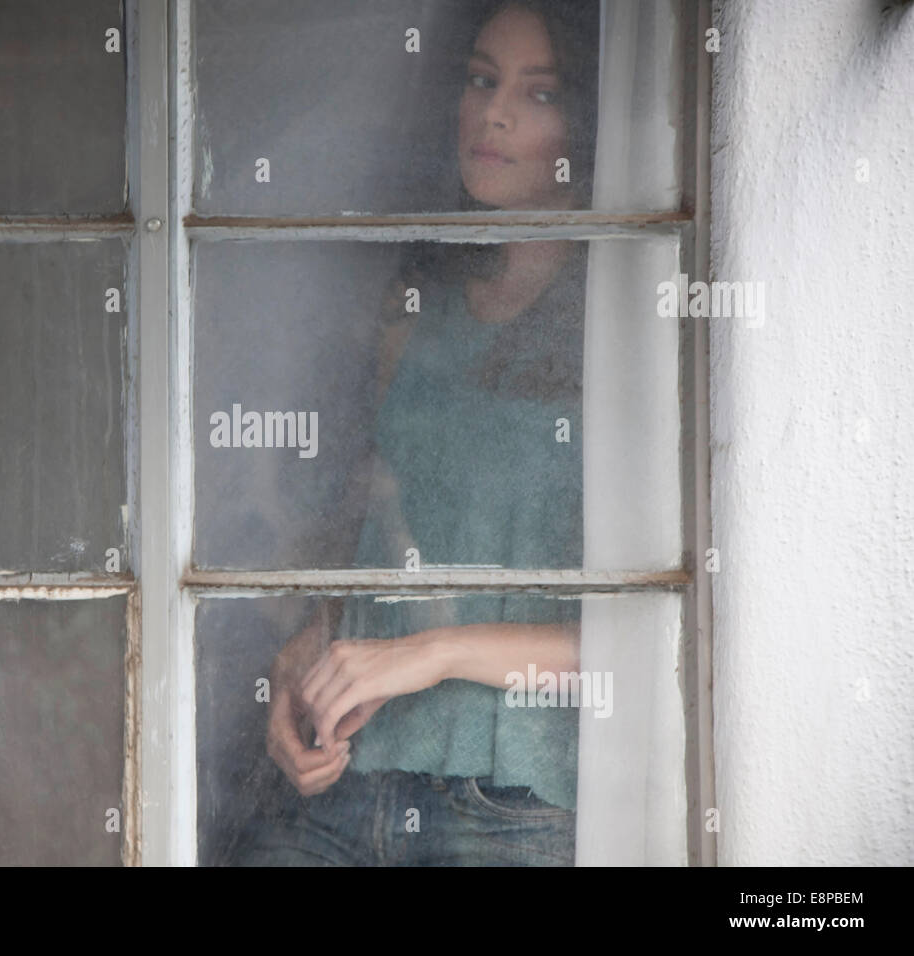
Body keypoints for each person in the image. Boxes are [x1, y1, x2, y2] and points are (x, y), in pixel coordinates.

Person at [236, 0, 600, 866]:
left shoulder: (617, 333)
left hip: (509, 812)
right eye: (481, 80)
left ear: (587, 123)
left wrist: (433, 655)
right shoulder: (416, 311)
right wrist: (308, 654)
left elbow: (649, 632)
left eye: (538, 93)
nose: (495, 112)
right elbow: (380, 534)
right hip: (352, 779)